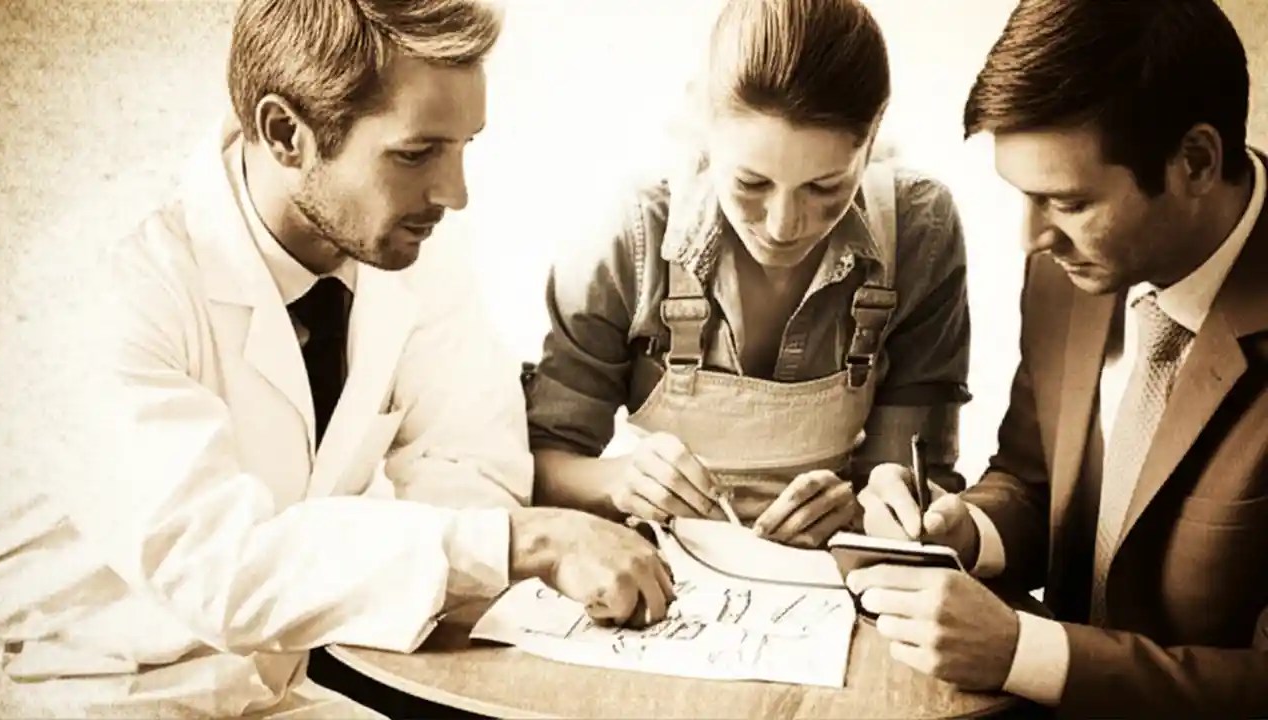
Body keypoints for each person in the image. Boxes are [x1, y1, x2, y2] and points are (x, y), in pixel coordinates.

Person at [0, 1, 676, 717]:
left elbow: (474, 463)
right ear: (286, 132)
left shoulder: (406, 243)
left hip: (284, 687)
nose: (455, 194)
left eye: (464, 145)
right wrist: (522, 541)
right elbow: (218, 566)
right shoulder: (101, 279)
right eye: (416, 154)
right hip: (95, 693)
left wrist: (466, 542)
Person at [850, 0, 1268, 715]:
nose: (1030, 237)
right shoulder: (1068, 269)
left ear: (1196, 161)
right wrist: (962, 527)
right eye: (1023, 196)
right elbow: (1034, 475)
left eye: (1066, 202)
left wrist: (1022, 652)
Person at [524, 0, 973, 549]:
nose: (784, 225)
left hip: (830, 591)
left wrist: (865, 510)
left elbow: (915, 491)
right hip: (663, 577)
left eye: (825, 187)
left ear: (872, 140)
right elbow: (539, 471)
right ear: (703, 128)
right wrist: (621, 480)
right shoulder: (631, 236)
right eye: (752, 183)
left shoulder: (919, 231)